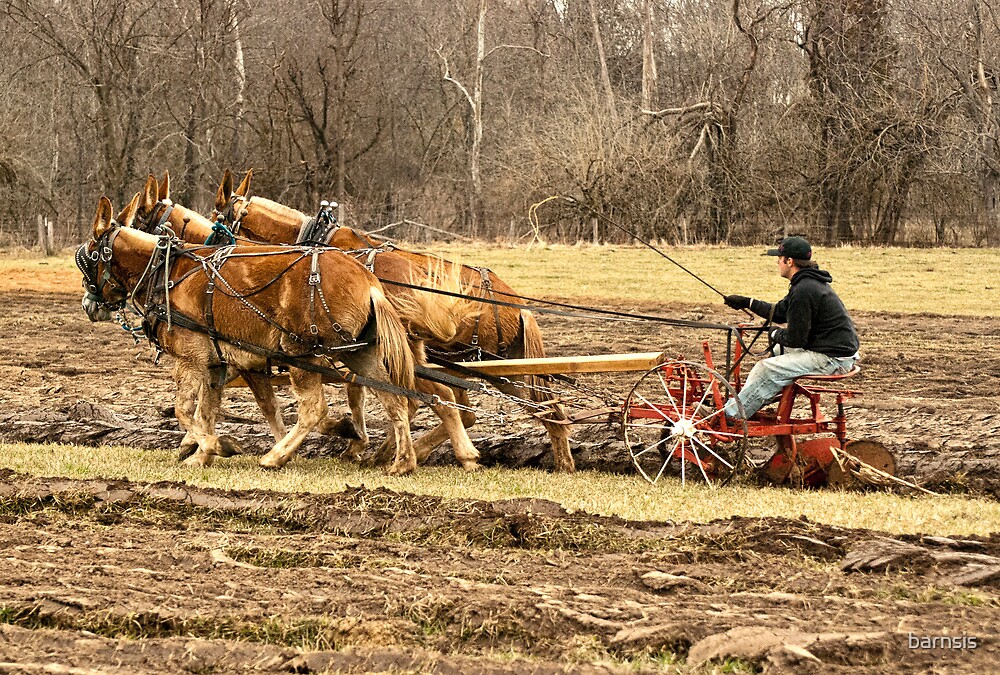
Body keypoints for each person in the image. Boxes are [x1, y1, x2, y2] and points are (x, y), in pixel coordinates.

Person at [722, 236, 859, 420]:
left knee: (766, 368)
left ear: (790, 261)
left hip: (833, 359)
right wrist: (747, 302)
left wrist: (776, 333)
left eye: (779, 258)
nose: (777, 262)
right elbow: (778, 312)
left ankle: (730, 414)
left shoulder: (804, 290)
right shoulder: (806, 283)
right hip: (831, 351)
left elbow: (796, 339)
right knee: (779, 350)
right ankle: (754, 400)